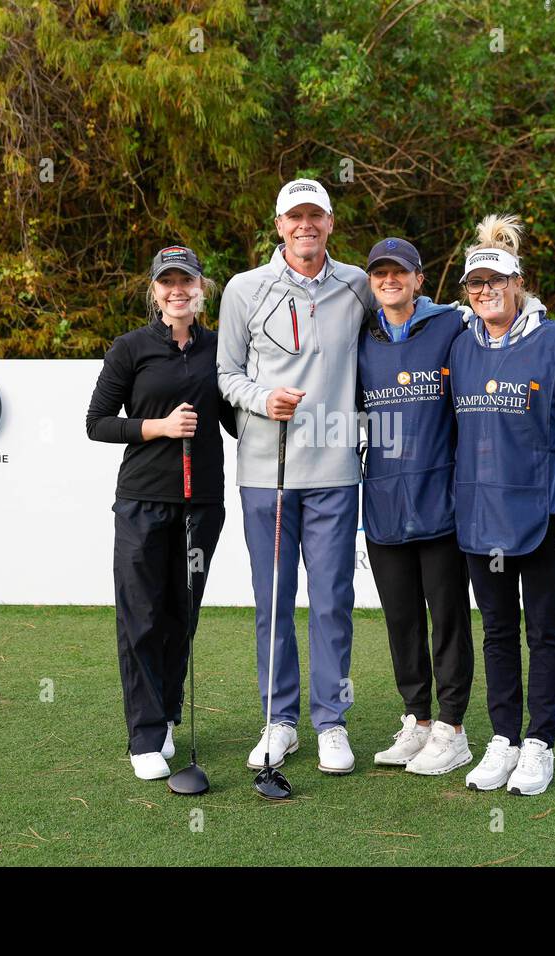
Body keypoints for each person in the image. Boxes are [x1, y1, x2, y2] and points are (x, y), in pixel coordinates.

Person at [216, 179, 372, 775]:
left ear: (330, 223)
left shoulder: (357, 284)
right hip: (266, 470)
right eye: (294, 217)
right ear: (278, 226)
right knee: (274, 601)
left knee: (333, 599)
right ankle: (280, 721)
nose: (305, 225)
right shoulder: (244, 289)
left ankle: (330, 721)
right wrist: (260, 397)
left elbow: (407, 314)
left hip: (335, 467)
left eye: (315, 215)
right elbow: (226, 372)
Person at [448, 214, 555, 796]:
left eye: (494, 281)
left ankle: (539, 743)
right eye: (474, 284)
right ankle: (504, 739)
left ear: (518, 284)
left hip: (541, 516)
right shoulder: (460, 347)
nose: (484, 290)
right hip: (478, 516)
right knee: (495, 631)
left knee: (542, 628)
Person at [85, 244, 235, 781]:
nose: (178, 291)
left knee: (181, 613)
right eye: (168, 282)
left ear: (202, 289)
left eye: (187, 282)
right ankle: (145, 734)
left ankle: (167, 711)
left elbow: (238, 419)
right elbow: (97, 422)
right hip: (143, 501)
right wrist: (158, 427)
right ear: (154, 291)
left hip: (203, 503)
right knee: (141, 616)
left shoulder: (222, 348)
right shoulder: (131, 349)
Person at [358, 237, 475, 776]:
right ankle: (418, 721)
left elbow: (508, 320)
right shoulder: (362, 338)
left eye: (398, 273)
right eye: (380, 274)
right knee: (401, 620)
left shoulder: (451, 325)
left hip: (442, 504)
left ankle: (453, 729)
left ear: (418, 279)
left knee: (447, 619)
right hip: (383, 503)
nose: (389, 281)